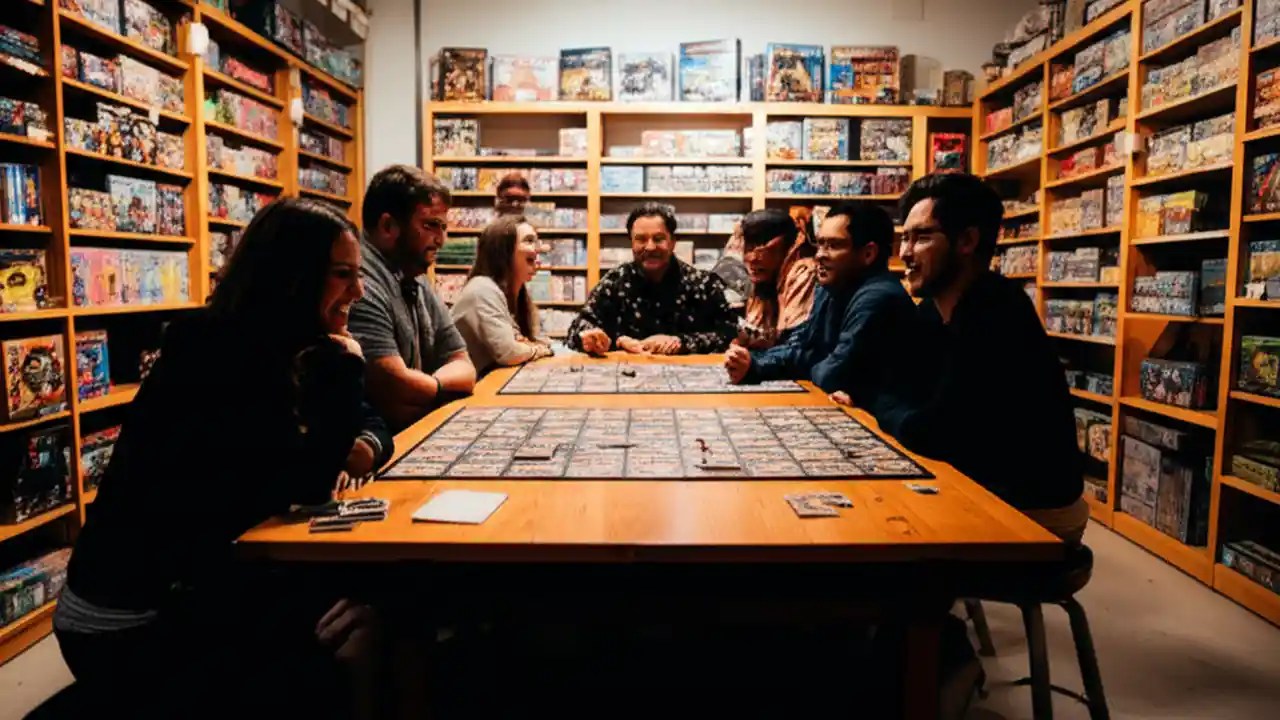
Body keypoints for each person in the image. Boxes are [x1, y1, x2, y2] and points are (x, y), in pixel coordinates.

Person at [54, 199, 394, 718]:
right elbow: (307, 485)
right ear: (294, 277)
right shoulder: (218, 356)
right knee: (362, 631)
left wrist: (359, 439)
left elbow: (364, 428)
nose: (359, 292)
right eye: (343, 275)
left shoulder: (278, 344)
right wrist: (346, 371)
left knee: (364, 607)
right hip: (126, 623)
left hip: (192, 583)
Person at [874, 172, 1086, 543]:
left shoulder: (996, 312)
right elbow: (889, 391)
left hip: (1031, 509)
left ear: (967, 241)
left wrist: (898, 416)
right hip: (974, 482)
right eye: (904, 238)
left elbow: (934, 432)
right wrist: (902, 414)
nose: (905, 252)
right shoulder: (931, 310)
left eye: (921, 237)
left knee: (876, 533)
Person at [724, 202, 916, 408]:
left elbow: (832, 375)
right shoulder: (831, 288)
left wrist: (812, 362)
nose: (819, 255)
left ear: (868, 254)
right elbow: (801, 349)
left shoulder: (878, 297)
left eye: (833, 245)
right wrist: (754, 364)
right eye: (820, 244)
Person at [348, 164, 476, 432]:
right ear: (388, 226)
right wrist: (440, 389)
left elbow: (463, 364)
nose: (441, 240)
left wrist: (429, 389)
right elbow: (393, 389)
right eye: (431, 225)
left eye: (443, 227)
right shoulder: (358, 281)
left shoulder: (415, 276)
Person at [566, 202, 736, 355]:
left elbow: (731, 333)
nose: (650, 247)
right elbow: (578, 329)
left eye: (658, 239)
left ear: (673, 242)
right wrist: (596, 338)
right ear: (631, 243)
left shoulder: (702, 284)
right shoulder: (614, 283)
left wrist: (682, 342)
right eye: (640, 239)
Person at [450, 215, 553, 374]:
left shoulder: (516, 296)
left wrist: (531, 346)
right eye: (529, 240)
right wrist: (536, 350)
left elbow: (530, 342)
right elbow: (508, 352)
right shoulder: (482, 289)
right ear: (503, 250)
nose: (538, 248)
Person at [736, 208, 817, 349]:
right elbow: (757, 335)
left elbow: (792, 343)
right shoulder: (761, 277)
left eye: (766, 249)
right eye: (749, 248)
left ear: (788, 248)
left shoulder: (803, 272)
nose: (753, 258)